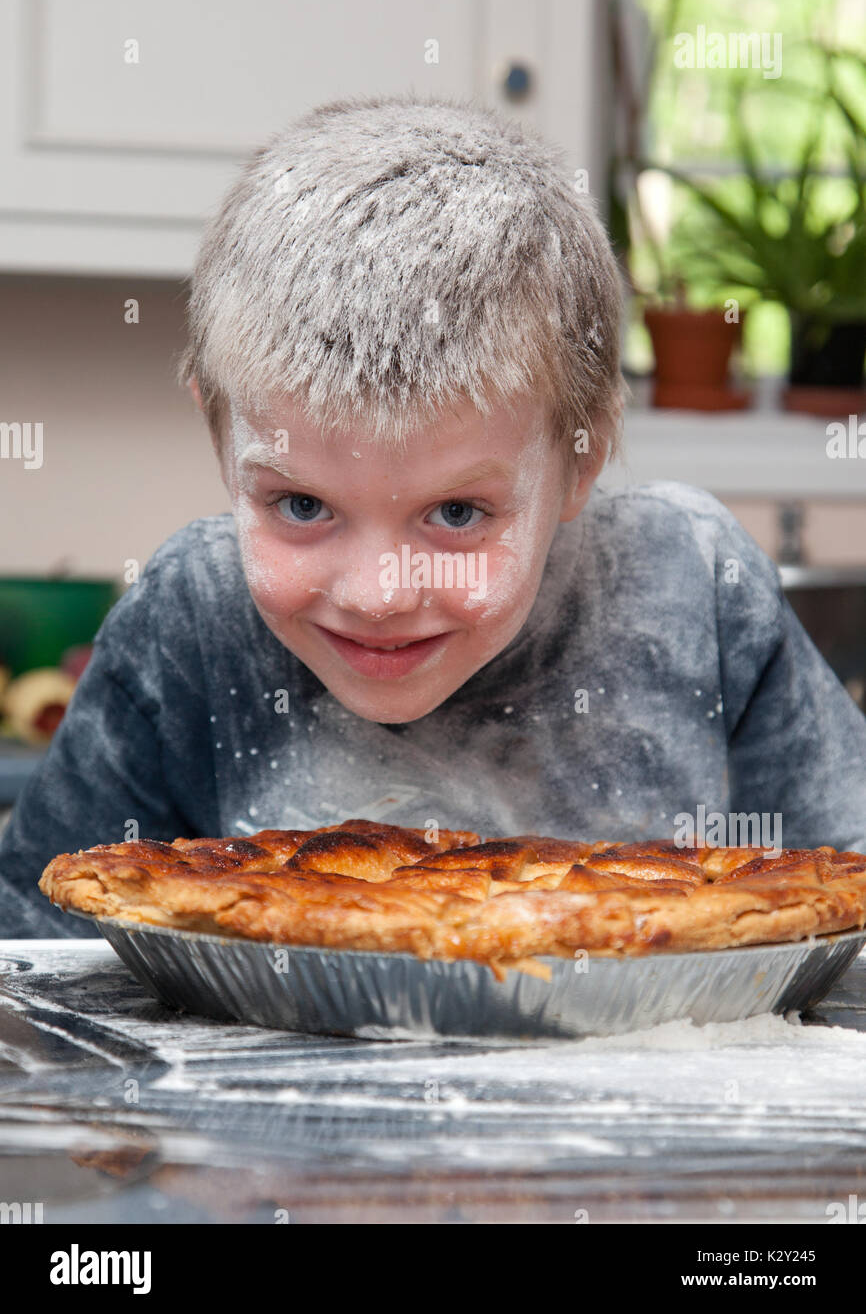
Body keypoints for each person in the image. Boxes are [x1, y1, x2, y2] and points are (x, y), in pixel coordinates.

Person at [3, 92, 865, 938]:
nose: (379, 594)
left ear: (582, 459)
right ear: (221, 440)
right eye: (302, 505)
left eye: (456, 512)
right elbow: (36, 961)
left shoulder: (694, 584)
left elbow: (848, 901)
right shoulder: (189, 617)